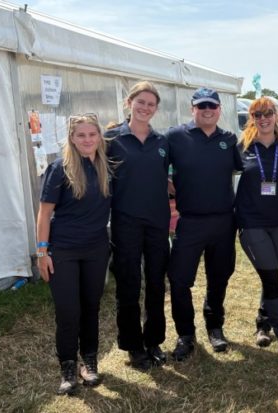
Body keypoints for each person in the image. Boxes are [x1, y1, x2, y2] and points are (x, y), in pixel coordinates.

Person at [36, 113, 112, 395]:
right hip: (64, 249)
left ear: (99, 137)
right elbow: (44, 215)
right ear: (71, 138)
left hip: (96, 248)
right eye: (81, 135)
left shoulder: (106, 166)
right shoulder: (60, 168)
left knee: (91, 307)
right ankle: (68, 367)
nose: (88, 140)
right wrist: (42, 253)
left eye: (92, 134)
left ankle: (89, 361)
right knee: (68, 311)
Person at [166, 87, 242, 358]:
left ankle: (215, 326)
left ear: (219, 109)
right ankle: (186, 334)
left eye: (212, 106)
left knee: (219, 276)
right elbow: (155, 164)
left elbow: (242, 169)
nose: (207, 110)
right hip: (190, 222)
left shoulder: (229, 139)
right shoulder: (175, 137)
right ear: (192, 109)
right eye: (201, 106)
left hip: (223, 221)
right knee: (179, 280)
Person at [105, 81, 170, 370]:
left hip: (157, 222)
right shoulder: (110, 139)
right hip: (125, 223)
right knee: (129, 285)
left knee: (156, 283)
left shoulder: (162, 142)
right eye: (140, 102)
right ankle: (133, 345)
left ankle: (153, 340)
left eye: (151, 104)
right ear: (129, 102)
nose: (145, 108)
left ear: (156, 109)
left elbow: (170, 179)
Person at [235, 97, 278, 359]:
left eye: (268, 113)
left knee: (269, 274)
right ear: (252, 118)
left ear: (276, 116)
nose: (263, 119)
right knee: (271, 277)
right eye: (257, 114)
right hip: (251, 223)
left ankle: (263, 323)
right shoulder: (241, 147)